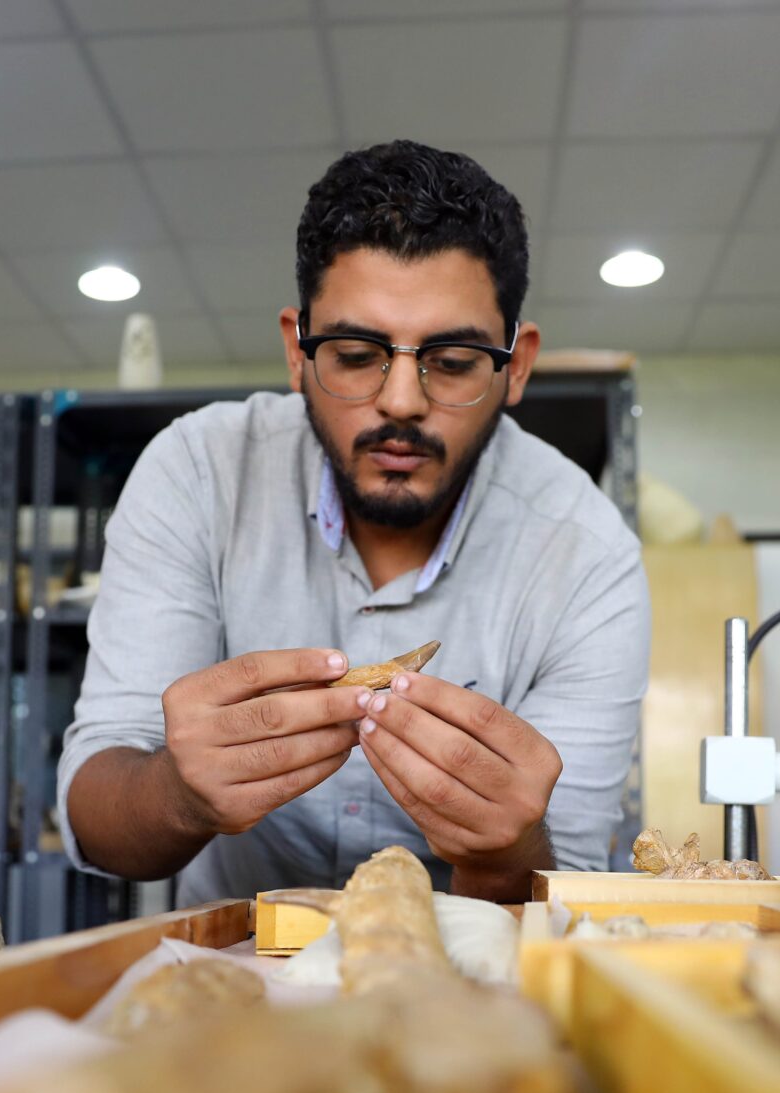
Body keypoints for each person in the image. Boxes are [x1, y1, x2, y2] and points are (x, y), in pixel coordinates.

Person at [58, 141, 649, 905]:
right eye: (356, 354)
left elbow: (565, 882)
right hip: (235, 967)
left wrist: (511, 851)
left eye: (454, 360)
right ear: (296, 352)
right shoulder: (197, 473)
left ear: (517, 366)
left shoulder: (589, 555)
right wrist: (177, 792)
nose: (401, 401)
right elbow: (96, 811)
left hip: (466, 970)